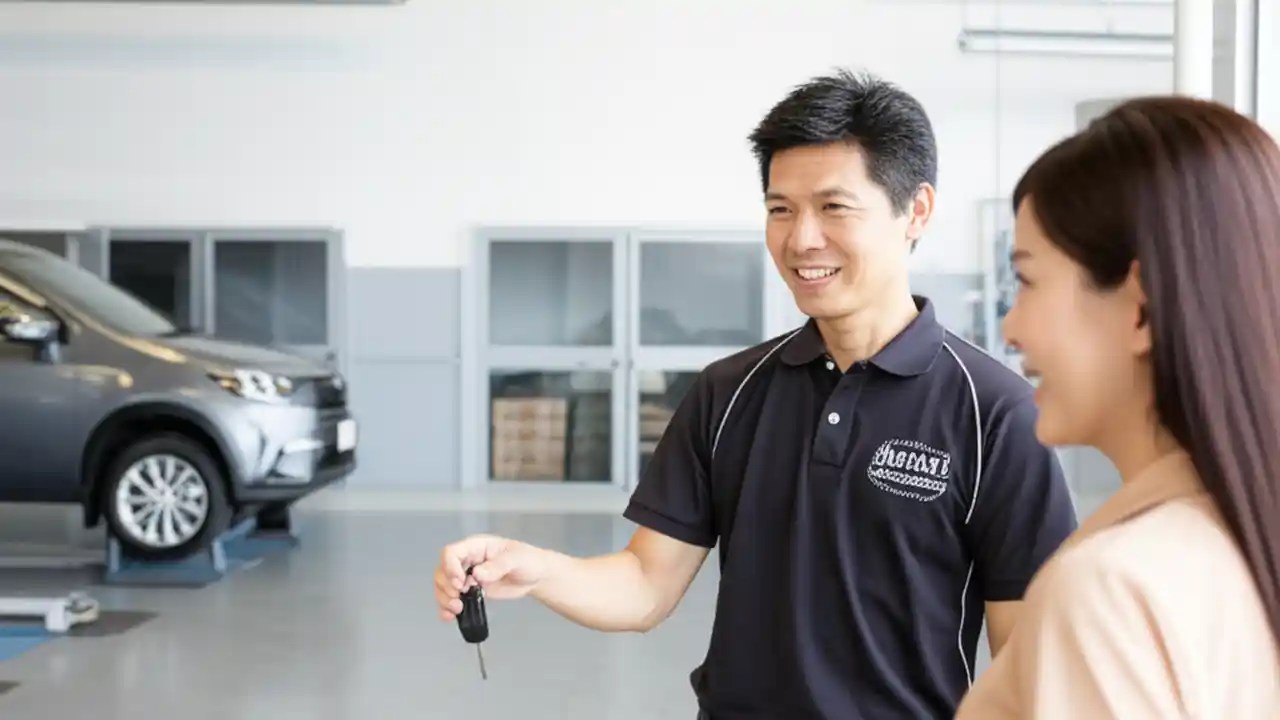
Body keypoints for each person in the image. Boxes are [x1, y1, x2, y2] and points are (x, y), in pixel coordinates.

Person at [435, 69, 1078, 719]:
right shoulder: (729, 393)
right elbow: (644, 585)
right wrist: (538, 568)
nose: (801, 239)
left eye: (834, 208)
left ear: (916, 210)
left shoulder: (993, 414)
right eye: (780, 209)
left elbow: (1028, 663)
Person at [955, 96, 1280, 719]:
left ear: (1139, 309)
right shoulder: (1232, 538)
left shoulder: (1111, 589)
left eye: (1026, 280)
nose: (1012, 328)